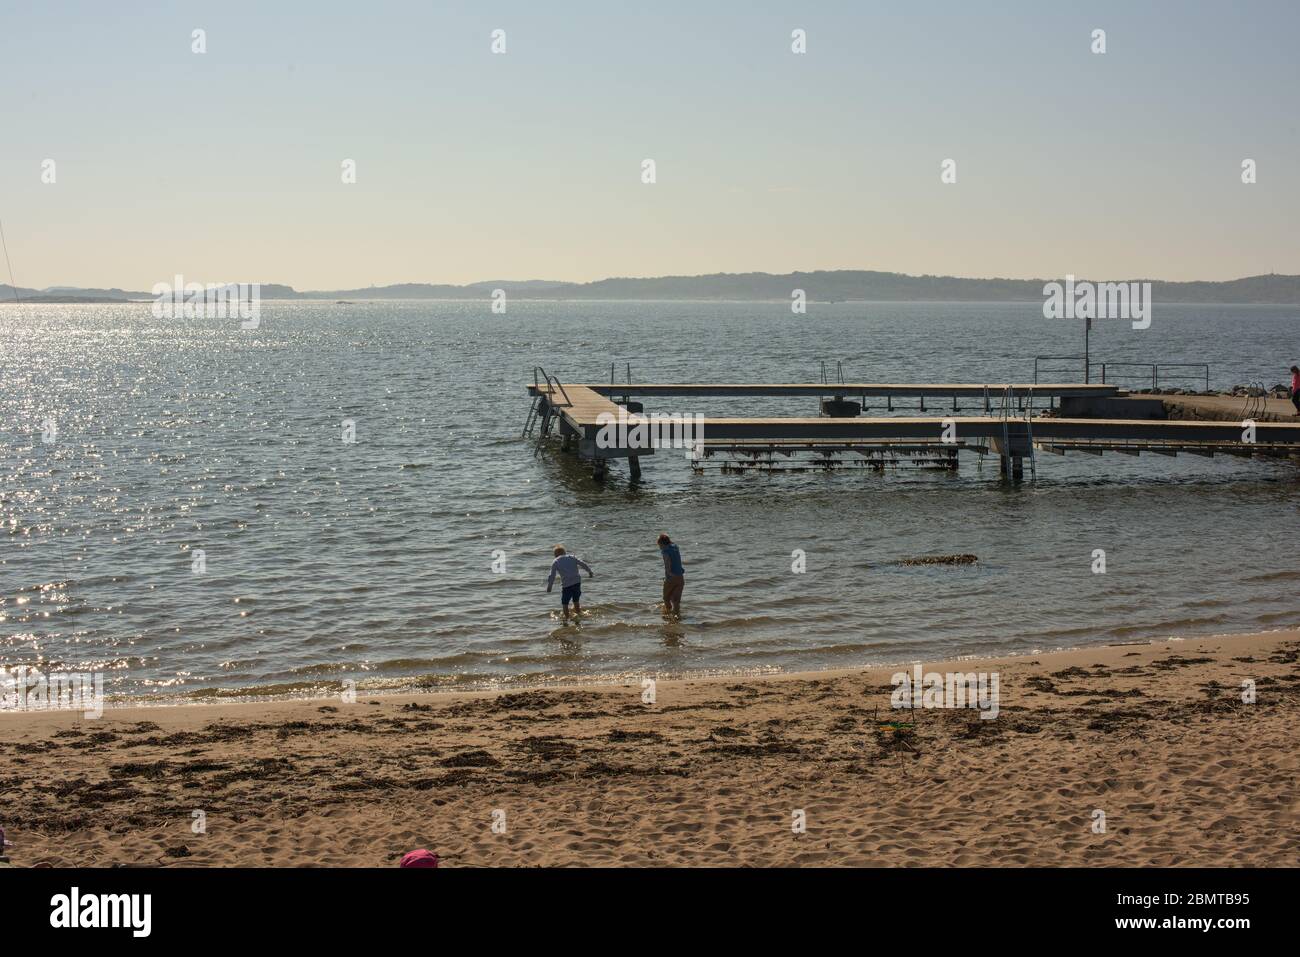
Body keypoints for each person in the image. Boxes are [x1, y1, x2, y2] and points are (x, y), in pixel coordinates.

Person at [546, 545, 593, 621]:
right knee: (576, 600)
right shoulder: (572, 557)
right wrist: (589, 572)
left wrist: (549, 586)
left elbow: (552, 576)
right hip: (577, 583)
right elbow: (582, 564)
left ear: (555, 555)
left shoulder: (556, 561)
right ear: (565, 552)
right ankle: (578, 614)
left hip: (567, 586)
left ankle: (566, 619)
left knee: (565, 603)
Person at [657, 533, 685, 617]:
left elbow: (667, 565)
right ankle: (677, 616)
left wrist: (668, 575)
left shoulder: (665, 552)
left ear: (661, 543)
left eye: (659, 545)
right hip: (680, 577)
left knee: (666, 598)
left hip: (671, 578)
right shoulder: (675, 547)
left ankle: (667, 614)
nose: (659, 547)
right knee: (676, 600)